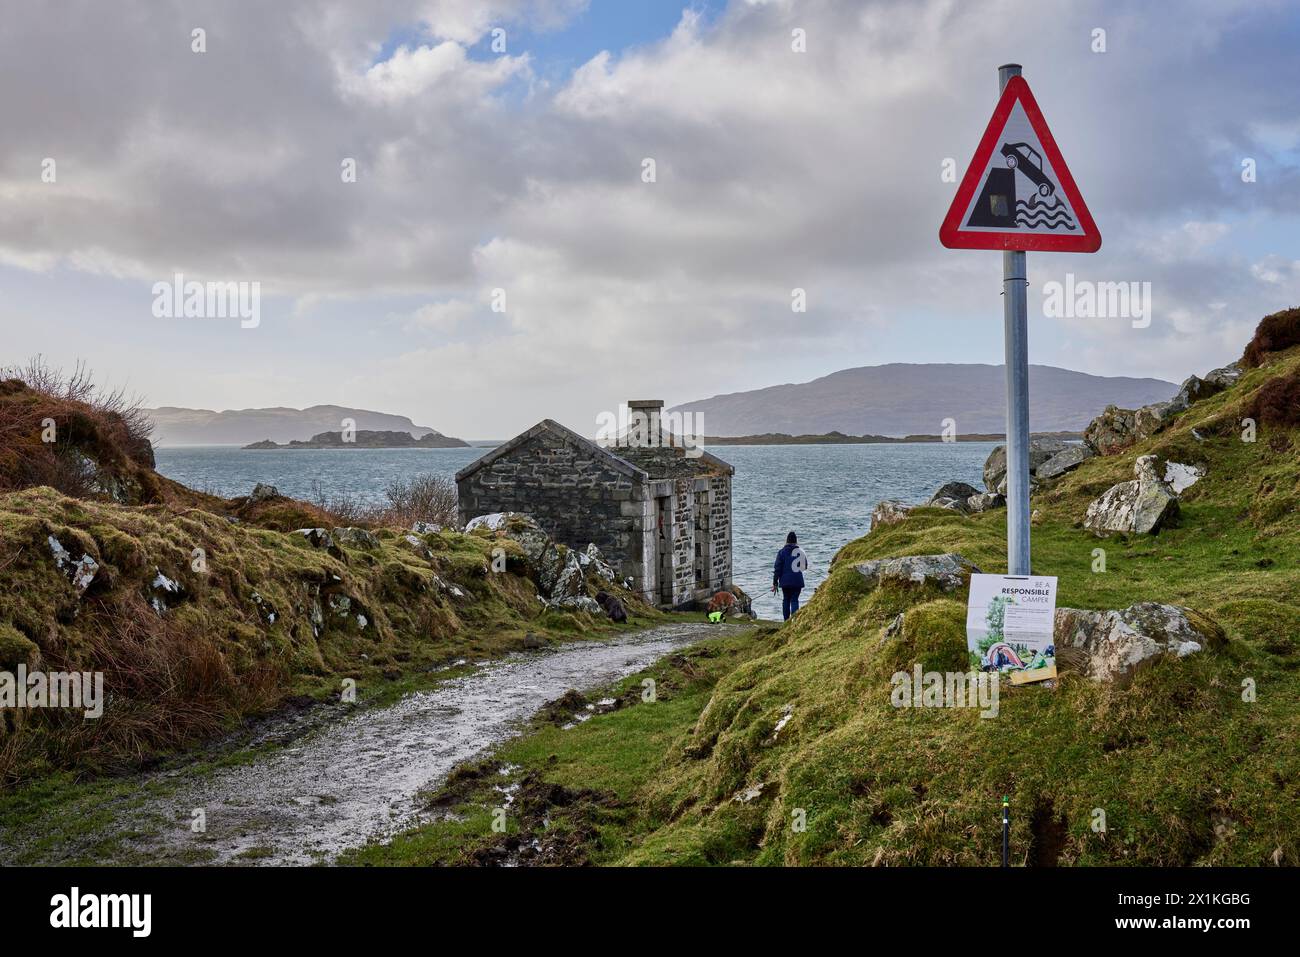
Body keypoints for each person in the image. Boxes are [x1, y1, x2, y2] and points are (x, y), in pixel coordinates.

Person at [772, 531, 807, 621]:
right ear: (796, 541)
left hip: (785, 581)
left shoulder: (781, 552)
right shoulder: (801, 552)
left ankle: (786, 621)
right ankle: (794, 621)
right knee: (795, 600)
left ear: (786, 540)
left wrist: (775, 582)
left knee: (786, 599)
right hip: (797, 581)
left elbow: (777, 568)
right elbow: (804, 567)